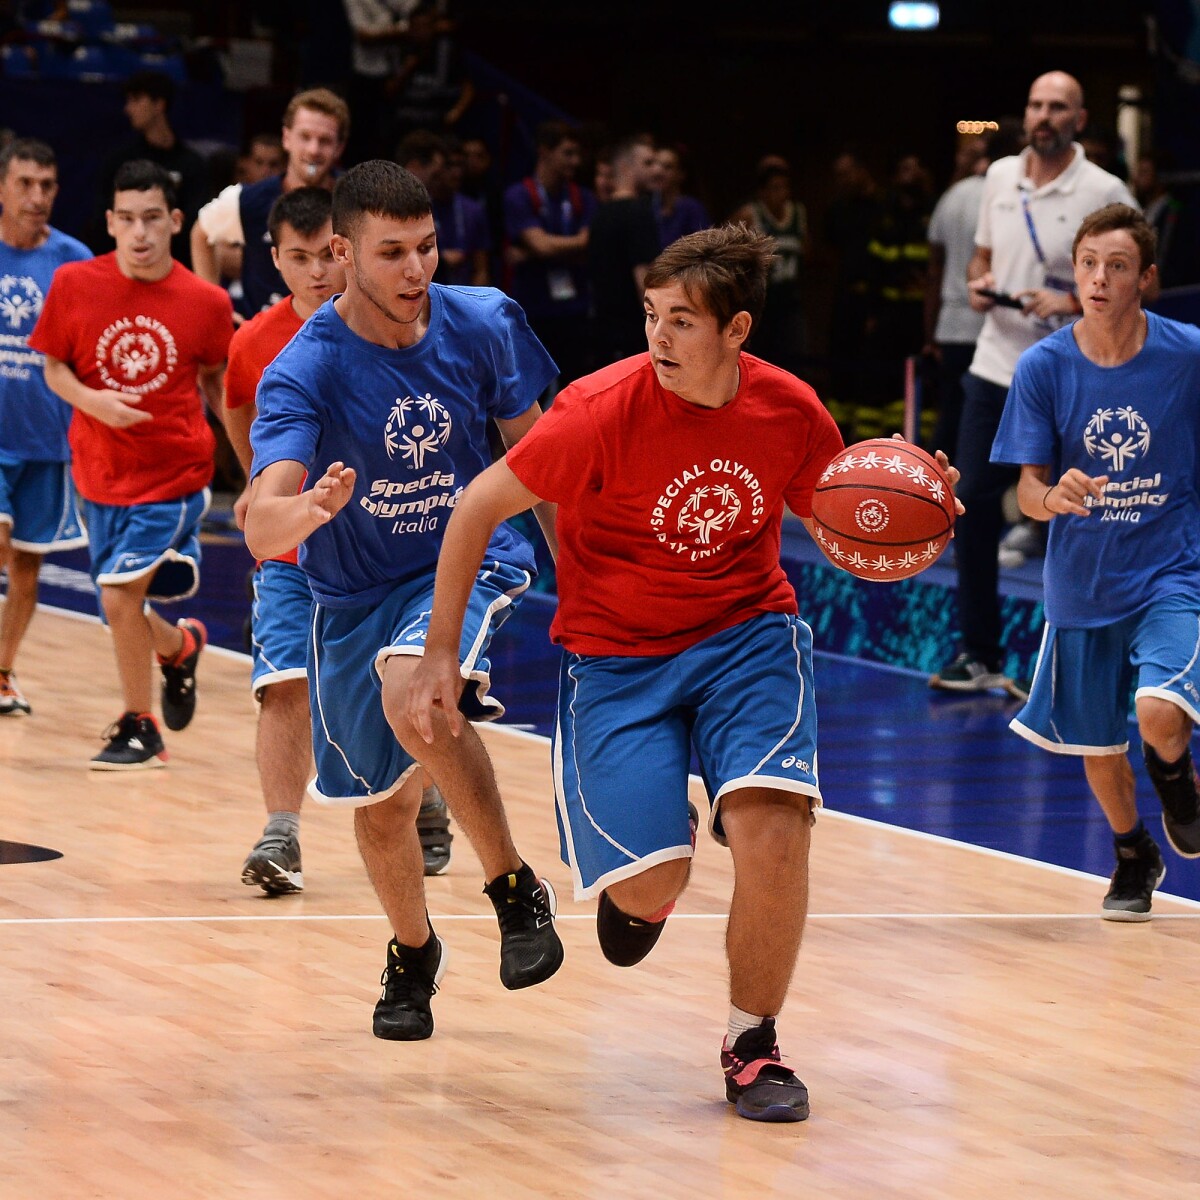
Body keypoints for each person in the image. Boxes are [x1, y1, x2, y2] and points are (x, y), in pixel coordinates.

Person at [406, 223, 963, 1121]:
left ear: (737, 330)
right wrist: (441, 650)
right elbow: (476, 506)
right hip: (617, 657)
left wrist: (913, 511)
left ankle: (753, 1044)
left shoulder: (789, 410)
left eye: (681, 321)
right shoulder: (596, 409)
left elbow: (841, 527)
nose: (658, 338)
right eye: (651, 315)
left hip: (747, 635)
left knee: (775, 830)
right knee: (648, 885)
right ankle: (663, 857)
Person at [243, 160, 564, 1040]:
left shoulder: (484, 322)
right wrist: (308, 508)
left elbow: (540, 463)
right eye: (392, 253)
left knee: (413, 688)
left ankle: (513, 887)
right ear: (343, 253)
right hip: (351, 591)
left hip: (465, 560)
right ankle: (413, 953)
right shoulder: (305, 368)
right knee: (380, 811)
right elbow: (263, 524)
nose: (417, 269)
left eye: (426, 247)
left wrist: (584, 586)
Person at [992, 203, 1200, 919]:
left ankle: (1177, 784)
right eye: (1088, 264)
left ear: (1146, 278)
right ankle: (1133, 851)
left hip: (1171, 569)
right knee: (1096, 743)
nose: (1099, 279)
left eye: (1116, 266)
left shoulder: (1188, 355)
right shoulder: (1043, 366)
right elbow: (1027, 493)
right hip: (1083, 579)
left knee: (1159, 712)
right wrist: (1055, 495)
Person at [930, 71, 1136, 697]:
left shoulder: (1104, 189)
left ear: (1080, 119)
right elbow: (983, 256)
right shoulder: (998, 176)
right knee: (969, 508)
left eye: (1057, 107)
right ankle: (979, 654)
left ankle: (1083, 665)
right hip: (995, 369)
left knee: (1080, 515)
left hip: (1072, 376)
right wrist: (979, 283)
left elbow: (1136, 283)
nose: (1043, 116)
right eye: (1035, 105)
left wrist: (1070, 301)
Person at [29, 160, 233, 768]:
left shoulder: (206, 302)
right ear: (111, 222)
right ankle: (178, 647)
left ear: (175, 221)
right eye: (127, 219)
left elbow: (218, 383)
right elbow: (54, 368)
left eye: (152, 218)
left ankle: (140, 726)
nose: (140, 233)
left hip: (174, 478)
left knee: (118, 598)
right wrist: (94, 402)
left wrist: (255, 468)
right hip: (97, 475)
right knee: (118, 606)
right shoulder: (73, 283)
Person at [0, 138, 92, 717]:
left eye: (47, 185)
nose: (37, 196)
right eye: (25, 183)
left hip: (48, 443)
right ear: (2, 187)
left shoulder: (73, 261)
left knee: (27, 566)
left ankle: (2, 673)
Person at [190, 87, 349, 320]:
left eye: (324, 141)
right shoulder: (248, 199)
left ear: (339, 147)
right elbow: (201, 233)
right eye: (305, 137)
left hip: (339, 334)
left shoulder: (356, 200)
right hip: (265, 334)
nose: (313, 149)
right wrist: (215, 310)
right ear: (286, 138)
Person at [924, 122, 1023, 461]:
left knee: (950, 418)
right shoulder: (1013, 198)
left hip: (951, 326)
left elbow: (934, 269)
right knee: (985, 430)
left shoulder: (952, 196)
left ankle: (932, 484)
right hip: (993, 328)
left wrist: (930, 333)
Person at [502, 119, 596, 401]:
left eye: (577, 154)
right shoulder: (518, 195)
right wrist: (562, 247)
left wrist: (532, 252)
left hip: (574, 308)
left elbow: (587, 244)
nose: (575, 161)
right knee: (530, 394)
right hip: (531, 309)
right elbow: (542, 245)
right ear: (544, 151)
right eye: (568, 153)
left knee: (577, 391)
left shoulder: (584, 197)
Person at [90, 70, 212, 270]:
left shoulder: (191, 164)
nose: (128, 109)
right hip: (124, 268)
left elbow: (197, 225)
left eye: (136, 100)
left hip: (177, 268)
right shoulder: (120, 161)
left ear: (159, 104)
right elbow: (100, 223)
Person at [586, 134, 660, 366]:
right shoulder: (638, 213)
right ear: (627, 167)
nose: (656, 170)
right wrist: (659, 326)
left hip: (604, 334)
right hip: (633, 336)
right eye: (648, 163)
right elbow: (644, 279)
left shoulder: (599, 215)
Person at [732, 155, 809, 372]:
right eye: (775, 188)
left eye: (785, 187)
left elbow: (807, 250)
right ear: (762, 191)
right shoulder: (749, 214)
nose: (782, 193)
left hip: (790, 298)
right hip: (760, 301)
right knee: (760, 359)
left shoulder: (798, 212)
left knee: (797, 357)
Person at [651, 141, 709, 250]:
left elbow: (704, 246)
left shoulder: (691, 208)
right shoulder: (649, 206)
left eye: (667, 167)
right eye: (655, 164)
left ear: (681, 174)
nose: (658, 172)